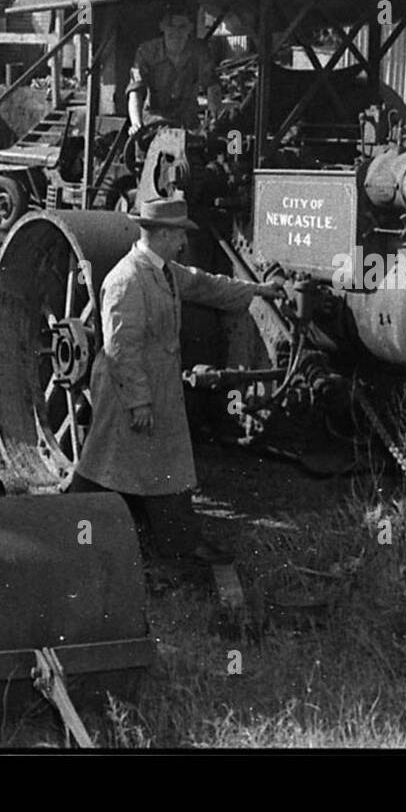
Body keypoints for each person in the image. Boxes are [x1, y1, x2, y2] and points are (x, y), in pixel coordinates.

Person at [69, 196, 284, 569]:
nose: (184, 243)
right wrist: (139, 402)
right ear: (163, 234)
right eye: (179, 235)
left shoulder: (165, 271)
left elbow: (205, 285)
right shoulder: (127, 279)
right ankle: (74, 530)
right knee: (107, 465)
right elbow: (121, 348)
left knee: (155, 465)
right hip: (127, 389)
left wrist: (256, 291)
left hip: (157, 386)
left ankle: (176, 541)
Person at [127, 3, 222, 132]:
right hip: (154, 124)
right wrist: (136, 124)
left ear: (190, 28)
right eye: (171, 26)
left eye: (182, 27)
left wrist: (215, 118)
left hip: (188, 125)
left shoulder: (200, 52)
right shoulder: (146, 52)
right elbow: (135, 91)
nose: (176, 32)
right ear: (162, 27)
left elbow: (212, 85)